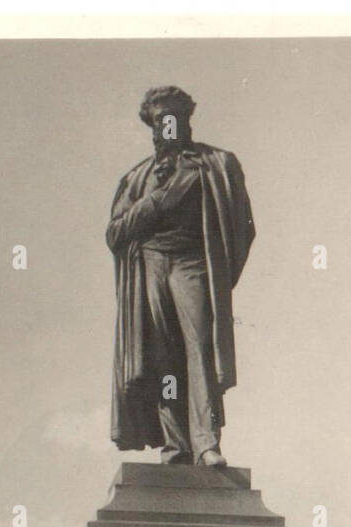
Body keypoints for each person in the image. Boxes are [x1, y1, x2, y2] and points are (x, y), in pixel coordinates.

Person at [107, 86, 255, 467]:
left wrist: (219, 277)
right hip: (152, 263)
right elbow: (115, 233)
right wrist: (158, 200)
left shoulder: (218, 164)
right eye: (161, 120)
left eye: (175, 117)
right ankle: (176, 445)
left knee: (200, 349)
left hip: (194, 263)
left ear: (187, 121)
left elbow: (243, 228)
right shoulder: (138, 178)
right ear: (153, 128)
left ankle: (206, 442)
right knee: (163, 356)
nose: (169, 126)